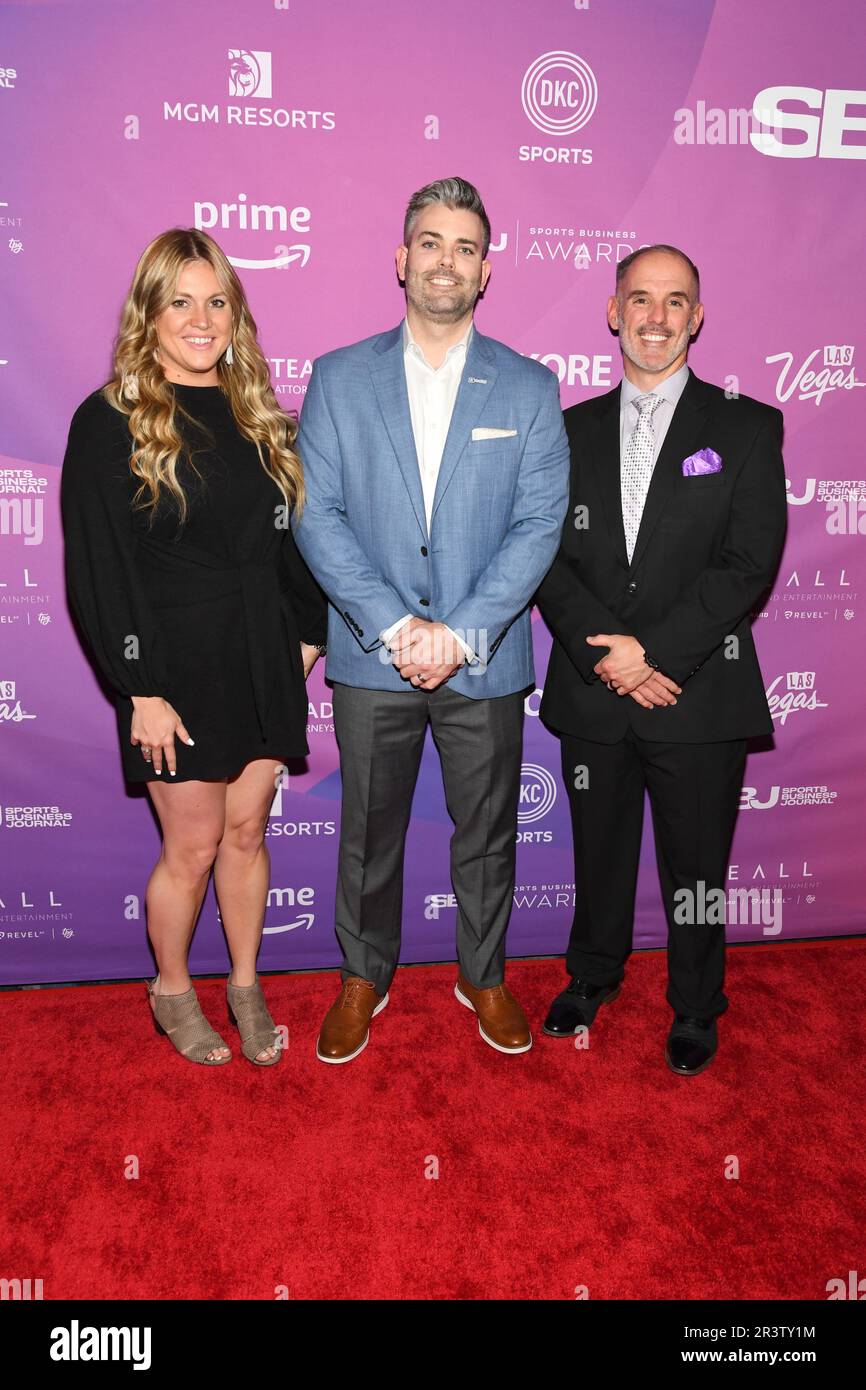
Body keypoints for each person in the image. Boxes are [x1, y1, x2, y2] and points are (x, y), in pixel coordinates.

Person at [293, 177, 570, 1063]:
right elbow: (316, 515)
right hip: (372, 658)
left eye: (464, 247)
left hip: (482, 660)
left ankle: (482, 974)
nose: (445, 260)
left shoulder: (529, 387)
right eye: (430, 242)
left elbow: (538, 525)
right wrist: (391, 625)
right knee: (368, 830)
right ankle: (363, 976)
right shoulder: (338, 378)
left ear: (485, 271)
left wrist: (457, 633)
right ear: (400, 257)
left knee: (487, 832)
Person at [60, 228, 327, 1067]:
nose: (201, 319)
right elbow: (99, 569)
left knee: (246, 835)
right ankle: (172, 989)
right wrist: (139, 688)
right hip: (171, 668)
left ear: (235, 316)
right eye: (181, 300)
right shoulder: (110, 420)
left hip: (263, 653)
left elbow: (298, 544)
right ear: (151, 311)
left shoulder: (262, 417)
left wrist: (310, 635)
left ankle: (245, 983)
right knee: (193, 844)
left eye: (217, 301)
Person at [535, 244, 787, 1075]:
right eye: (640, 299)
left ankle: (695, 1004)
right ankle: (593, 977)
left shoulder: (748, 428)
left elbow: (749, 562)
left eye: (675, 301)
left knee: (698, 867)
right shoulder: (563, 431)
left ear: (697, 317)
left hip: (698, 688)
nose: (656, 317)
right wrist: (610, 657)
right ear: (613, 312)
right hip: (596, 685)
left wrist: (655, 654)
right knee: (597, 851)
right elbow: (545, 555)